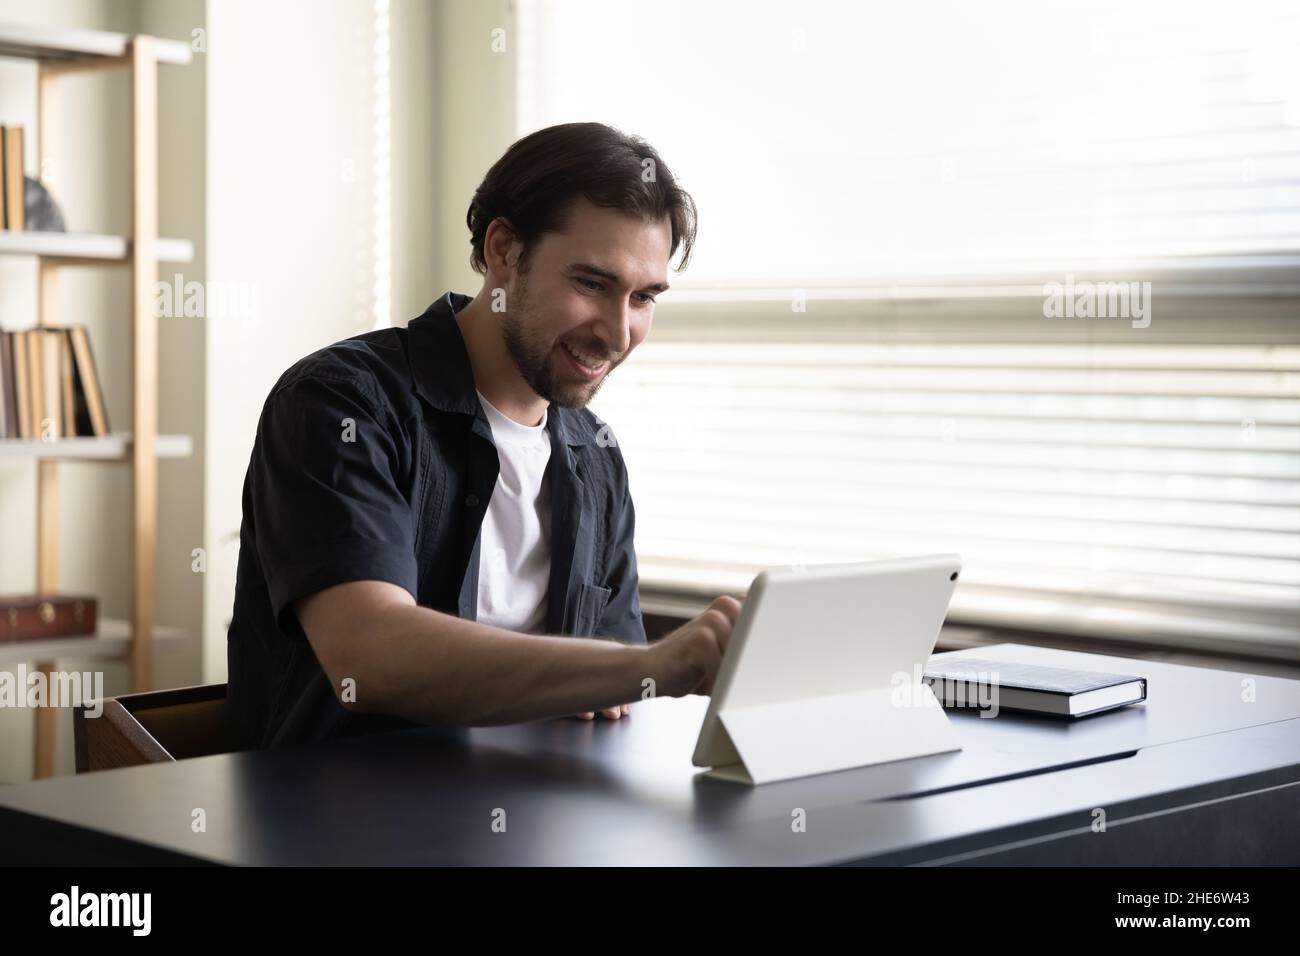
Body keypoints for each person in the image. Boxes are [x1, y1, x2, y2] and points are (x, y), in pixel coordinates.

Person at [224, 122, 740, 750]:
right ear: (504, 250)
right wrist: (650, 667)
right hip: (335, 827)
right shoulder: (341, 404)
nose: (618, 331)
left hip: (534, 819)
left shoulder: (595, 455)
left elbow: (607, 690)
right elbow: (370, 654)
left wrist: (625, 676)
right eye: (592, 284)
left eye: (644, 297)